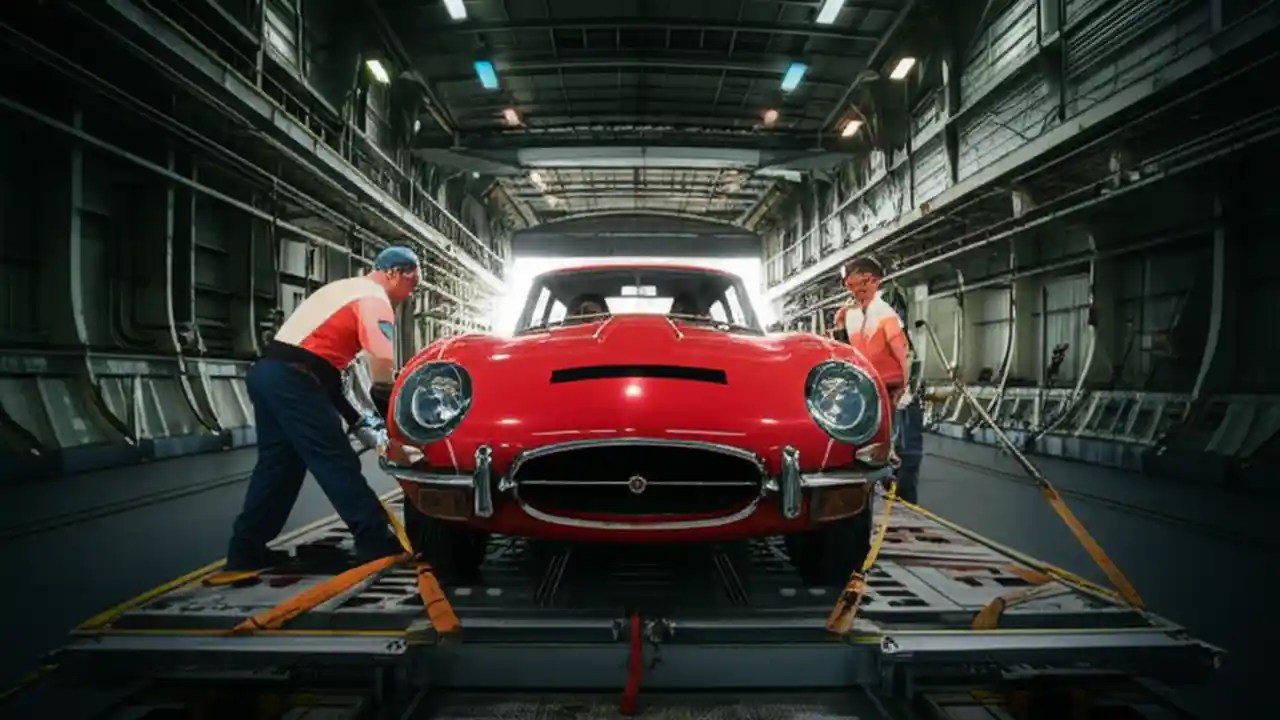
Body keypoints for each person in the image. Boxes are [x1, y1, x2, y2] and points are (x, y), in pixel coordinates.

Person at [222, 246, 422, 572]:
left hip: (270, 374)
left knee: (278, 468)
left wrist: (366, 426)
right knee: (335, 459)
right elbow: (382, 363)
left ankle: (245, 551)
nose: (410, 294)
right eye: (412, 284)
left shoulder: (342, 289)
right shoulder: (375, 299)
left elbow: (325, 375)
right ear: (394, 273)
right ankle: (375, 541)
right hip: (295, 381)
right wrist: (393, 420)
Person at [833, 257, 923, 504]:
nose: (850, 288)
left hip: (892, 388)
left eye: (855, 280)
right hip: (865, 388)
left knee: (901, 450)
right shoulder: (851, 315)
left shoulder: (885, 314)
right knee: (860, 446)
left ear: (870, 280)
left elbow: (903, 352)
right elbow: (845, 352)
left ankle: (902, 499)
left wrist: (906, 388)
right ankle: (866, 494)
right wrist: (839, 327)